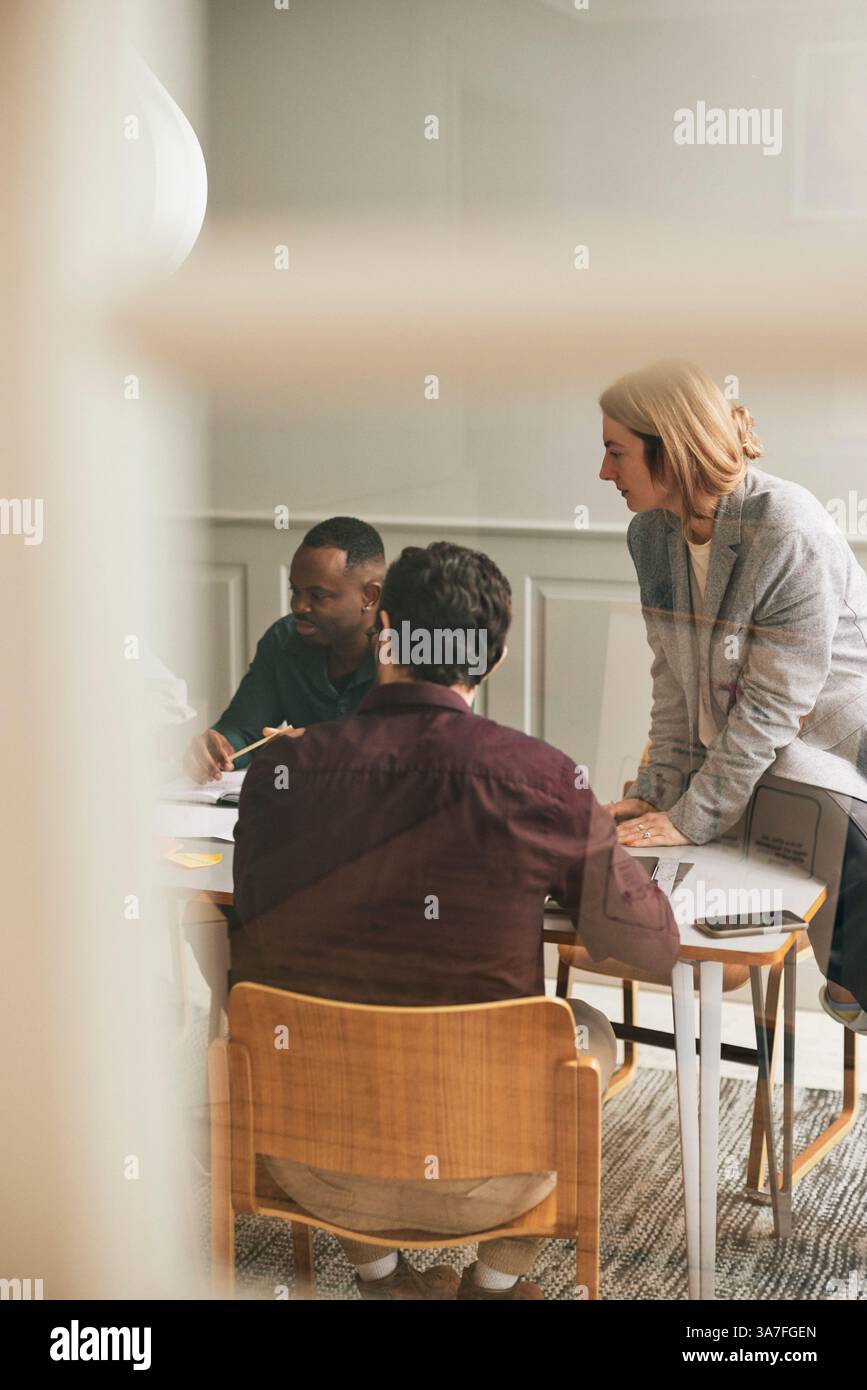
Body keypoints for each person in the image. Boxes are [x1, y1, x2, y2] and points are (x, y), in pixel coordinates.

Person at [232, 540, 680, 1301]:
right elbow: (650, 946)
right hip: (490, 1175)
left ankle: (378, 1278)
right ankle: (494, 1284)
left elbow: (254, 931)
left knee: (324, 1018)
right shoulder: (541, 778)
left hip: (307, 1157)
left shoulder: (278, 771)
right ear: (493, 660)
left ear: (386, 636)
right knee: (584, 1033)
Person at [599, 360, 867, 1028]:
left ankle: (852, 987)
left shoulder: (787, 528)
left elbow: (776, 707)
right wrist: (658, 787)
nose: (603, 474)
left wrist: (692, 817)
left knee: (794, 786)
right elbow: (671, 671)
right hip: (757, 754)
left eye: (614, 452)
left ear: (671, 450)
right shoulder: (650, 535)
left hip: (837, 748)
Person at [185, 516, 386, 781]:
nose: (298, 606)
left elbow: (422, 747)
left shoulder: (410, 650)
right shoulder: (283, 640)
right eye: (295, 590)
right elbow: (244, 730)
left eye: (317, 595)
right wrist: (218, 746)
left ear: (369, 597)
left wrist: (321, 746)